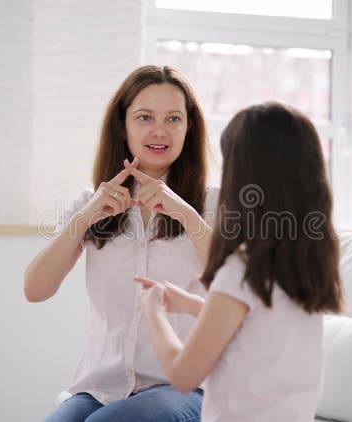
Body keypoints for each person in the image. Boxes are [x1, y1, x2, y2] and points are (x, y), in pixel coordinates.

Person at [24, 65, 217, 422]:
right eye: (145, 117)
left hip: (189, 385)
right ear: (123, 125)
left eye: (173, 119)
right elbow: (35, 289)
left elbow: (232, 291)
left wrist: (188, 217)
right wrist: (84, 220)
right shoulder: (91, 203)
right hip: (102, 387)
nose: (160, 130)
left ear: (188, 127)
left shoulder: (213, 204)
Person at [135, 102, 345, 421]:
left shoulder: (241, 271)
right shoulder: (303, 266)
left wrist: (153, 311)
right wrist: (194, 305)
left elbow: (182, 375)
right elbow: (259, 329)